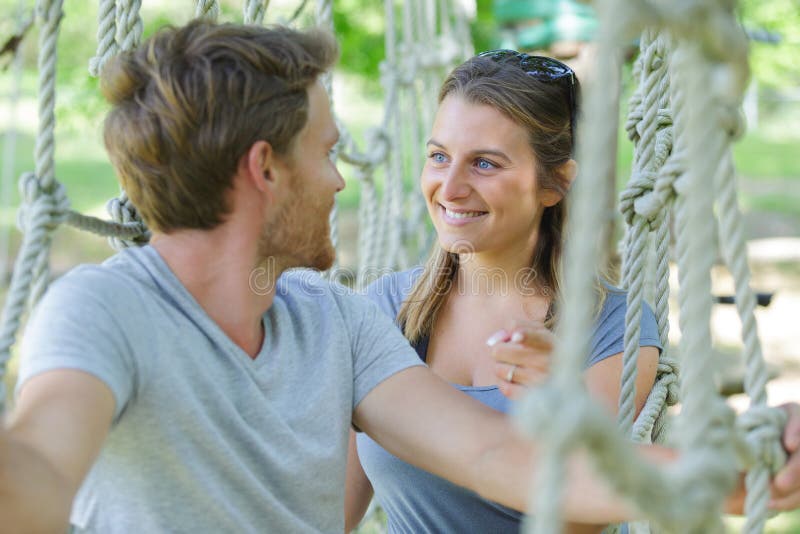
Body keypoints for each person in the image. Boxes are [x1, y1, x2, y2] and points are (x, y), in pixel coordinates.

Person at [0, 21, 798, 534]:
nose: (344, 182)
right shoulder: (102, 309)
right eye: (328, 152)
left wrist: (732, 472)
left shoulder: (331, 320)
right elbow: (37, 468)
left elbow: (499, 460)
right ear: (264, 171)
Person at [343, 50, 800, 533]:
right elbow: (328, 516)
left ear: (555, 184)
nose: (449, 187)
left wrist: (567, 414)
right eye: (439, 156)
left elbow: (578, 512)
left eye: (484, 164)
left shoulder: (613, 331)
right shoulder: (385, 311)